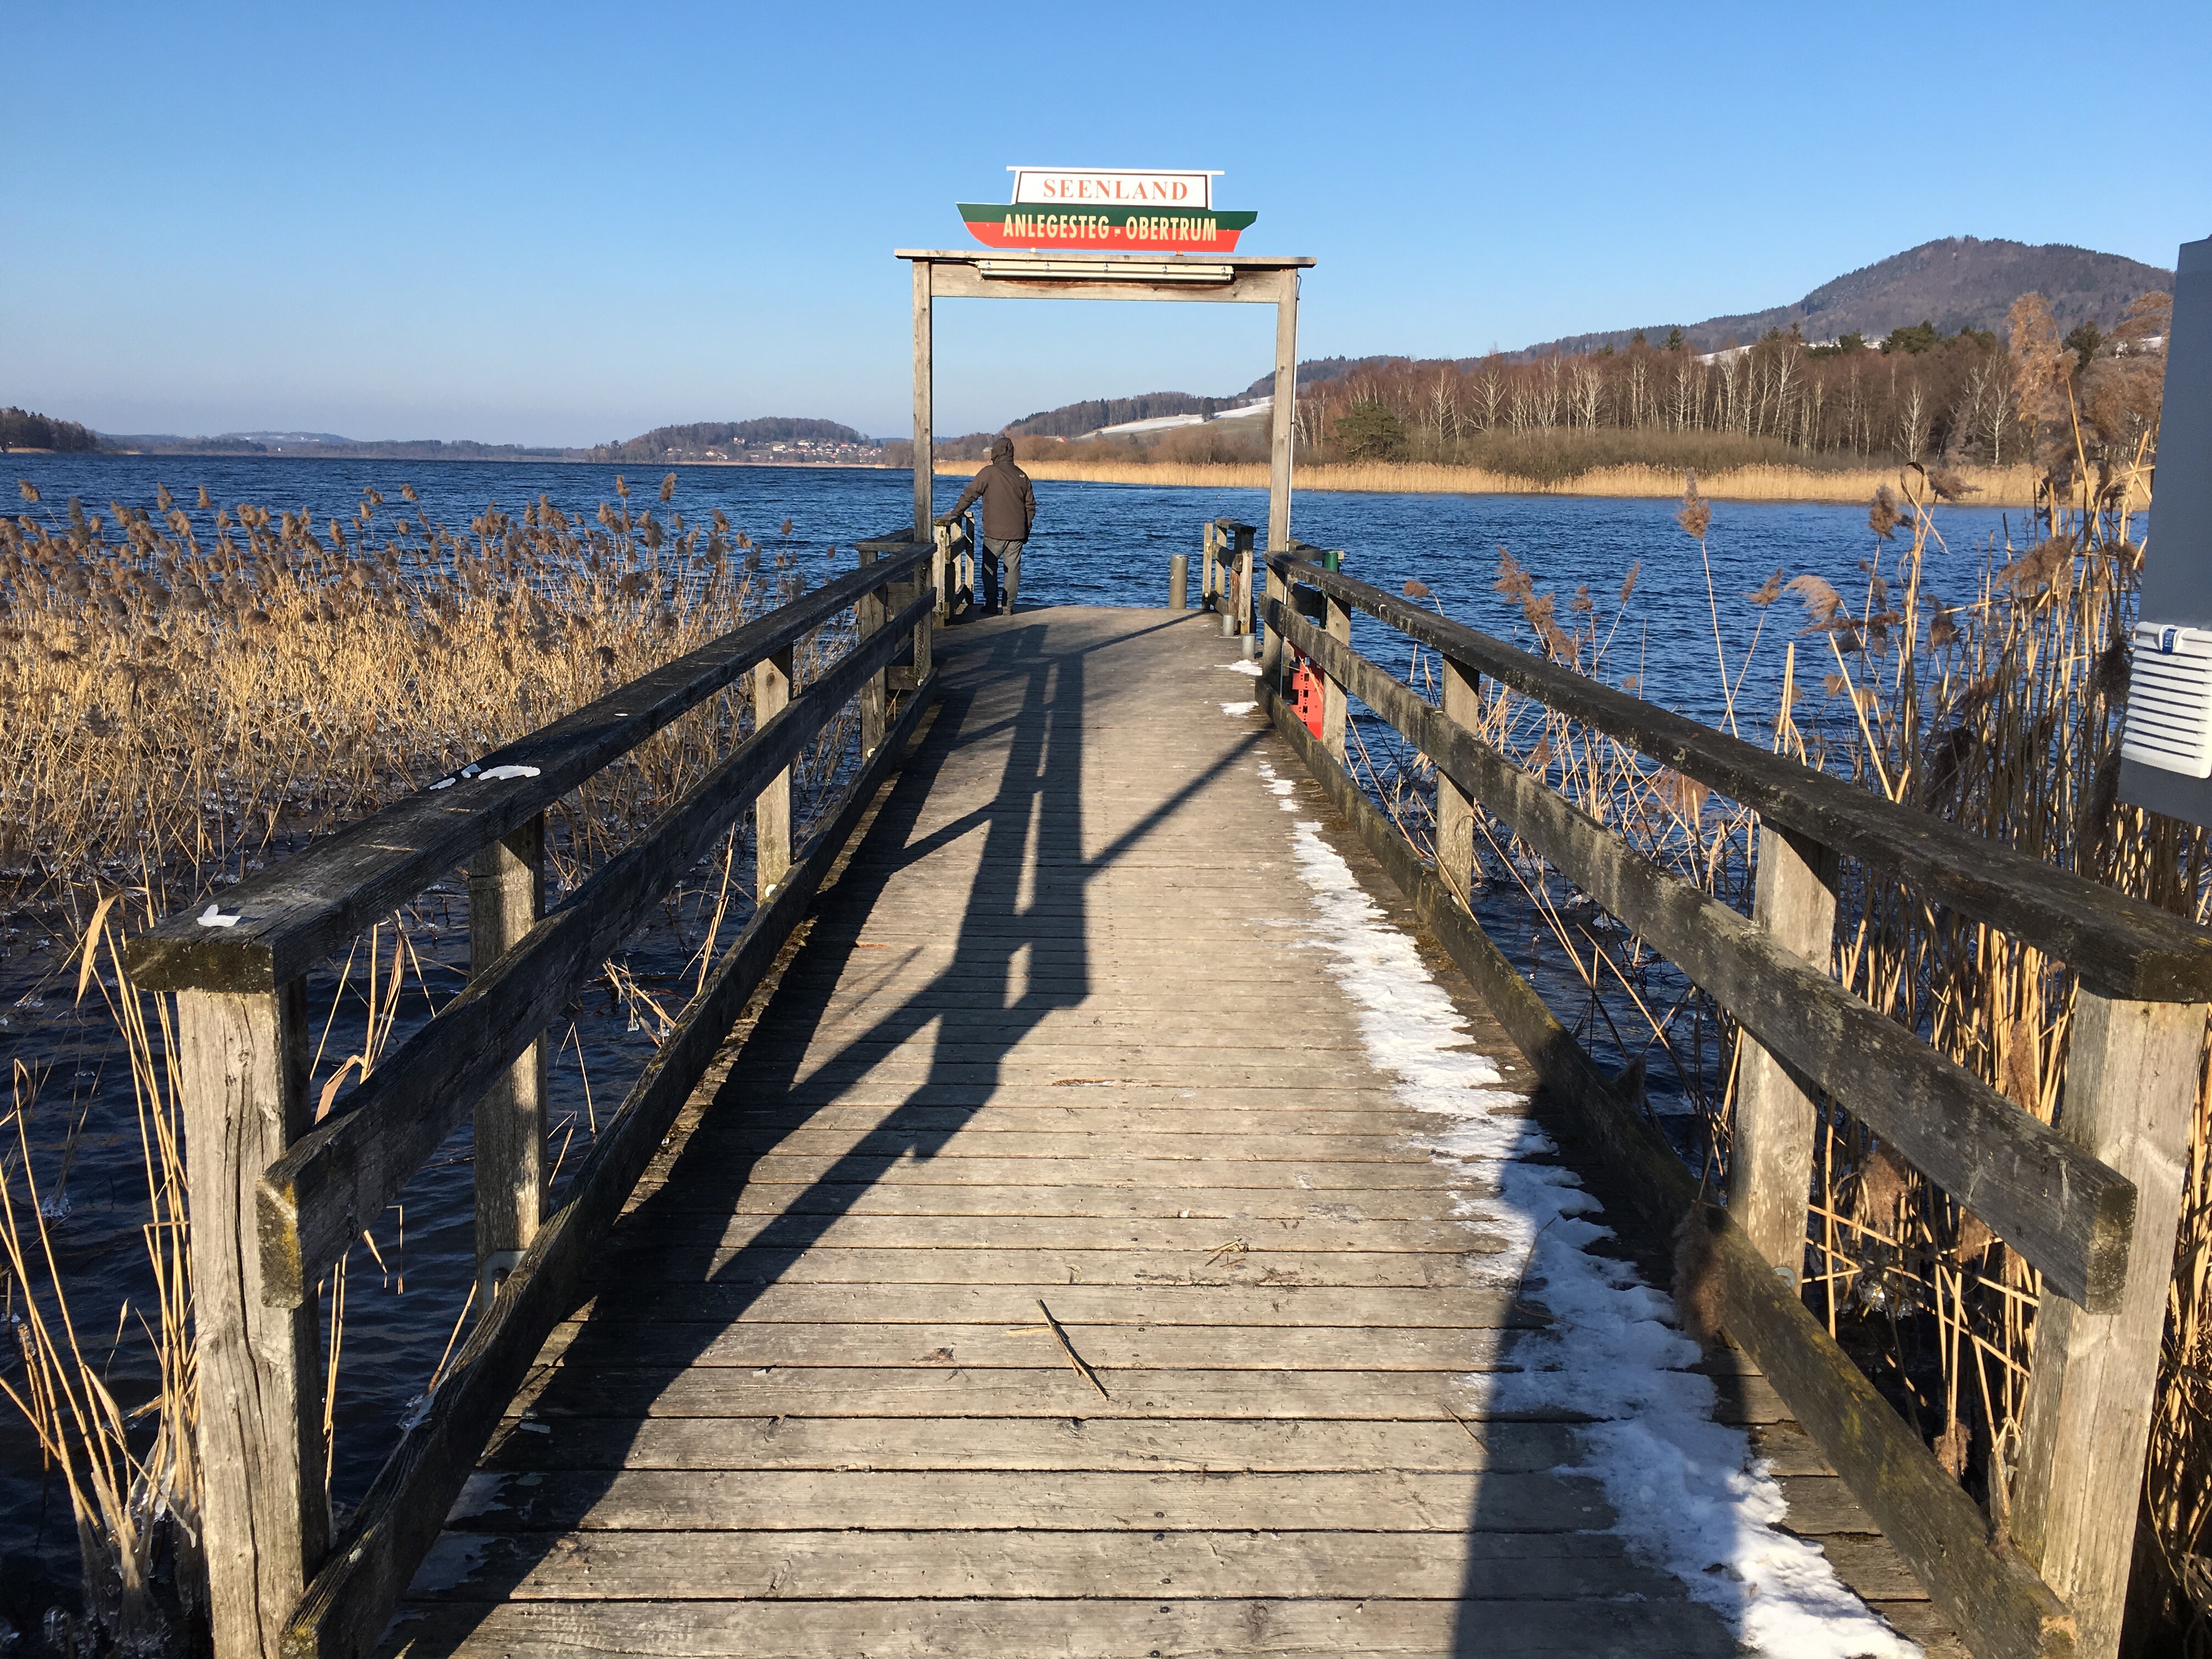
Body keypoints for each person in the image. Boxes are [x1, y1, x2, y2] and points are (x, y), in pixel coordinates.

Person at [938, 435, 1035, 616]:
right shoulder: (1022, 476)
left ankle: (991, 604)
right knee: (1013, 570)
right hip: (1016, 533)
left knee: (989, 567)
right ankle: (1008, 607)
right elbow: (1030, 506)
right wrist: (1026, 529)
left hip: (994, 532)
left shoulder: (989, 473)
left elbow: (970, 494)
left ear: (995, 454)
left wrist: (956, 513)